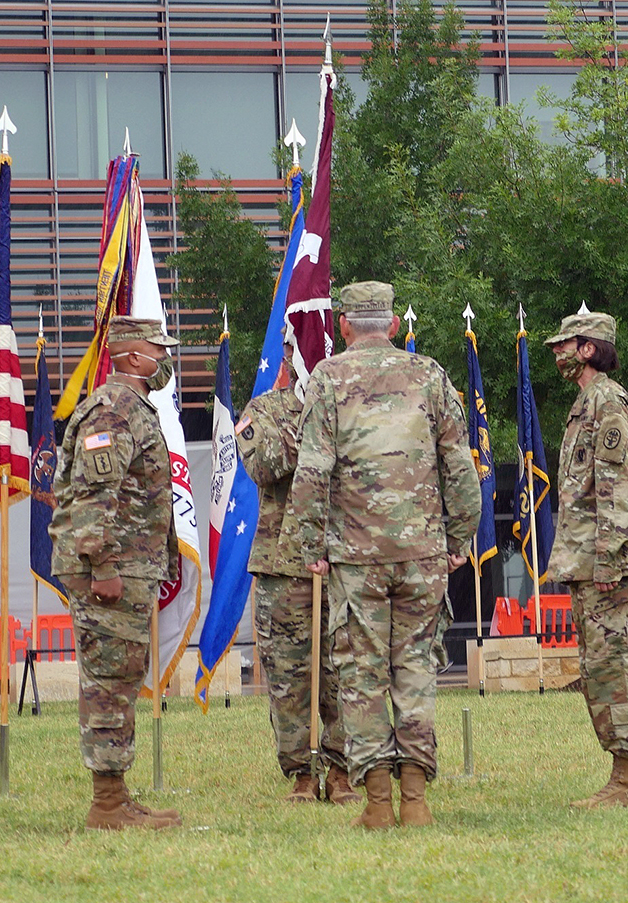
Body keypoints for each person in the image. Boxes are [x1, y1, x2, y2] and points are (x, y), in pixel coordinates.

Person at [283, 281, 480, 829]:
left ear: (344, 325)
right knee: (415, 670)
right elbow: (460, 468)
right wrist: (458, 539)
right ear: (393, 326)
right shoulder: (430, 375)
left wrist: (310, 545)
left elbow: (312, 471)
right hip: (422, 553)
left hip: (356, 558)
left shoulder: (327, 378)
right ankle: (415, 800)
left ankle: (376, 804)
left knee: (362, 677)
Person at [50, 316, 183, 830]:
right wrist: (103, 565)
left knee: (120, 678)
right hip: (109, 570)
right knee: (109, 682)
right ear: (131, 357)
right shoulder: (113, 411)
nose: (165, 359)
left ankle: (117, 796)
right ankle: (106, 805)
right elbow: (92, 495)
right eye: (158, 350)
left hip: (127, 566)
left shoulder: (132, 408)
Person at [235, 326, 359, 805]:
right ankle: (302, 774)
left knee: (343, 672)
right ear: (286, 355)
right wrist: (314, 425)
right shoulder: (264, 409)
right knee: (289, 678)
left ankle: (343, 771)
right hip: (283, 564)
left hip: (343, 558)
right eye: (295, 348)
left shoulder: (350, 403)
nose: (301, 355)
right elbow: (263, 466)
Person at [545, 311, 628, 810]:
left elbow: (616, 489)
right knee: (599, 670)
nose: (557, 352)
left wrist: (609, 559)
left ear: (588, 348)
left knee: (617, 670)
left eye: (564, 344)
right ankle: (621, 776)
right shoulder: (586, 403)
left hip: (609, 566)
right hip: (591, 563)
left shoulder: (608, 402)